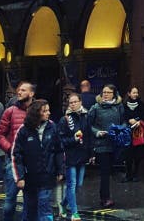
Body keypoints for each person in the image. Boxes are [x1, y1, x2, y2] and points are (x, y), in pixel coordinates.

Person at [12, 99, 64, 221]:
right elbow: (16, 155)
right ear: (36, 113)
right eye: (45, 111)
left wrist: (60, 170)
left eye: (48, 110)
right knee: (30, 208)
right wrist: (20, 177)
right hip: (29, 178)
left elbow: (59, 150)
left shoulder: (53, 127)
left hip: (47, 175)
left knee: (44, 204)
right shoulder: (24, 130)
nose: (48, 113)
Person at [0, 80, 35, 221]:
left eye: (23, 90)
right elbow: (0, 135)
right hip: (13, 161)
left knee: (30, 199)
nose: (19, 92)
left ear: (31, 93)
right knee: (10, 198)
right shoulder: (10, 111)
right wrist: (10, 149)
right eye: (19, 90)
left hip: (32, 161)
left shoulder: (38, 111)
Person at [87, 83, 124, 208]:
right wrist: (97, 132)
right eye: (104, 92)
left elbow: (124, 121)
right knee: (105, 172)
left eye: (108, 92)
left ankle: (107, 196)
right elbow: (88, 125)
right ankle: (105, 198)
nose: (106, 95)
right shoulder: (95, 108)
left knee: (112, 171)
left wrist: (120, 128)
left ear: (114, 94)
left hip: (115, 143)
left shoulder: (119, 107)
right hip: (102, 144)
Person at [58, 93, 91, 221]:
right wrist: (74, 139)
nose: (72, 104)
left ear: (80, 102)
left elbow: (88, 136)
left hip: (82, 155)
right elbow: (61, 140)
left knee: (79, 184)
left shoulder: (86, 116)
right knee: (71, 184)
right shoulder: (65, 119)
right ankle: (75, 212)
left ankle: (62, 204)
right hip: (70, 156)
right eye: (70, 103)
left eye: (75, 102)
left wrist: (91, 154)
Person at [122, 86, 144, 182]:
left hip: (138, 132)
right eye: (134, 92)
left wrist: (138, 121)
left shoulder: (141, 104)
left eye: (137, 92)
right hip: (127, 132)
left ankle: (136, 173)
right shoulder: (124, 105)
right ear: (129, 93)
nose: (136, 94)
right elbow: (122, 117)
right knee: (128, 154)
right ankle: (128, 174)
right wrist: (128, 120)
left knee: (138, 154)